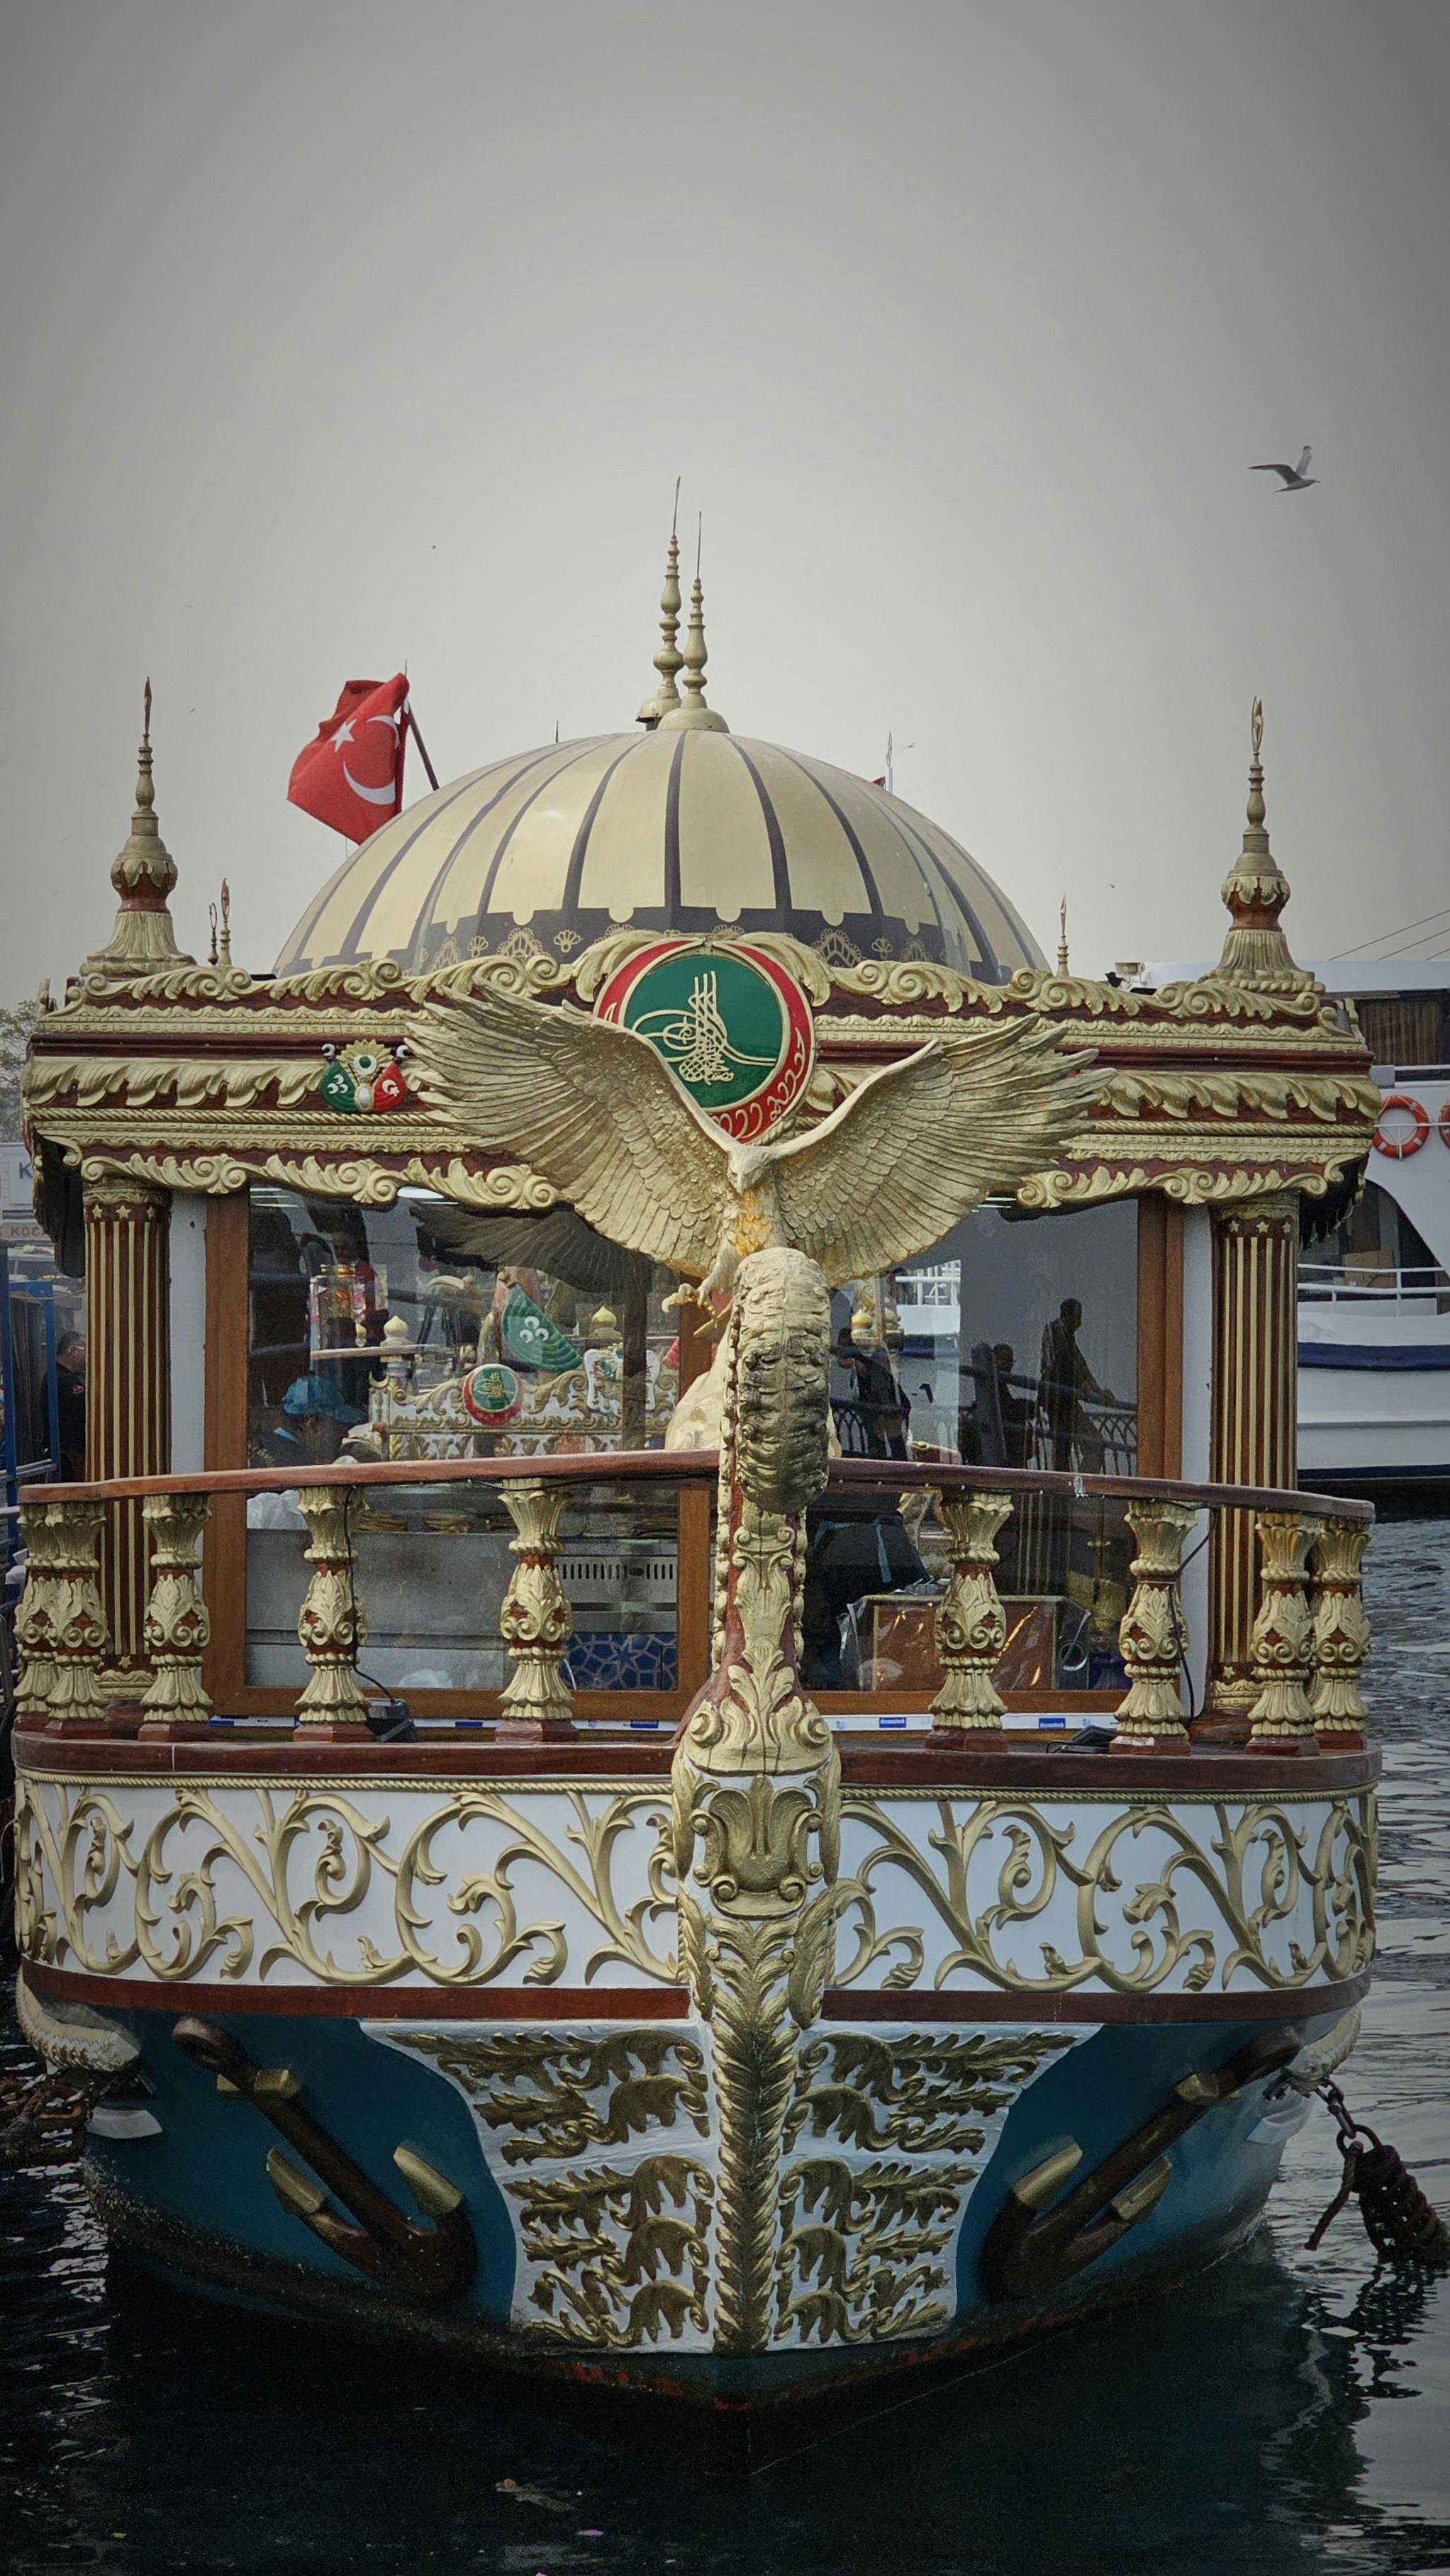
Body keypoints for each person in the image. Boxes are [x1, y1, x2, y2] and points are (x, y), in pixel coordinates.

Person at [1039, 1299, 1112, 1471]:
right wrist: (1085, 1385)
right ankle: (1070, 1491)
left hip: (1064, 1400)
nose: (1080, 1323)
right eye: (1077, 1317)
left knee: (1070, 1447)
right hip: (1059, 1401)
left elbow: (1079, 1363)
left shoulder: (1065, 1334)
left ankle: (1073, 1490)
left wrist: (1096, 1389)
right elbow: (1063, 1365)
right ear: (1068, 1316)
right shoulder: (1055, 1332)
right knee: (1074, 1446)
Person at [53, 1329, 86, 1480]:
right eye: (85, 1351)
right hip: (69, 1459)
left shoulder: (64, 1377)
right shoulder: (63, 1380)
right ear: (72, 1350)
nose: (87, 1358)